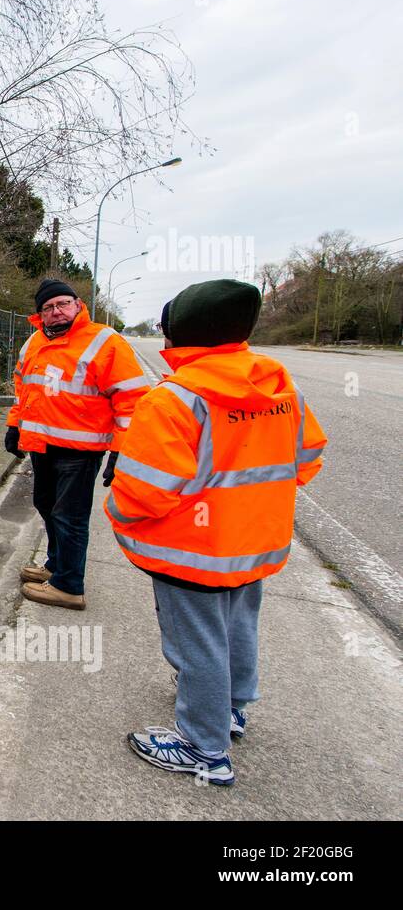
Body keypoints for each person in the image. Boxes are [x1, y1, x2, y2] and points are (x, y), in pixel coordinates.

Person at [106, 280, 327, 786]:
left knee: (197, 644)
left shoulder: (175, 399)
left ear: (179, 333)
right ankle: (231, 709)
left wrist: (119, 514)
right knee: (237, 627)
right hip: (255, 544)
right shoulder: (279, 389)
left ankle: (204, 747)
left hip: (192, 551)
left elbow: (144, 492)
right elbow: (307, 458)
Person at [5, 278, 150, 610]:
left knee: (69, 516)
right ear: (39, 314)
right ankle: (56, 566)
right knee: (46, 505)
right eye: (48, 307)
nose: (56, 312)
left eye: (62, 304)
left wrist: (121, 450)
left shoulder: (103, 341)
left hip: (79, 451)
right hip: (42, 446)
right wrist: (15, 426)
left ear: (77, 304)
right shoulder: (34, 342)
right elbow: (22, 387)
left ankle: (69, 586)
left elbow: (131, 400)